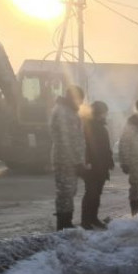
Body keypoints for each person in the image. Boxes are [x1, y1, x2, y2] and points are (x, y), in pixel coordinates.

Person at [49, 85, 87, 230]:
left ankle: (66, 222)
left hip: (68, 159)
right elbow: (67, 139)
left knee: (69, 191)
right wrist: (77, 162)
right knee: (65, 192)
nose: (81, 103)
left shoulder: (68, 111)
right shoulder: (64, 112)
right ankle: (63, 224)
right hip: (65, 159)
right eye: (80, 100)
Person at [80, 101, 115, 229]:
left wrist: (109, 160)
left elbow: (105, 147)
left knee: (97, 193)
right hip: (92, 166)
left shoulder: (101, 127)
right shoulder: (88, 126)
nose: (105, 115)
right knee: (91, 193)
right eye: (104, 112)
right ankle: (85, 221)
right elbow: (85, 147)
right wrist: (87, 162)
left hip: (101, 166)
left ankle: (93, 218)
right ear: (98, 113)